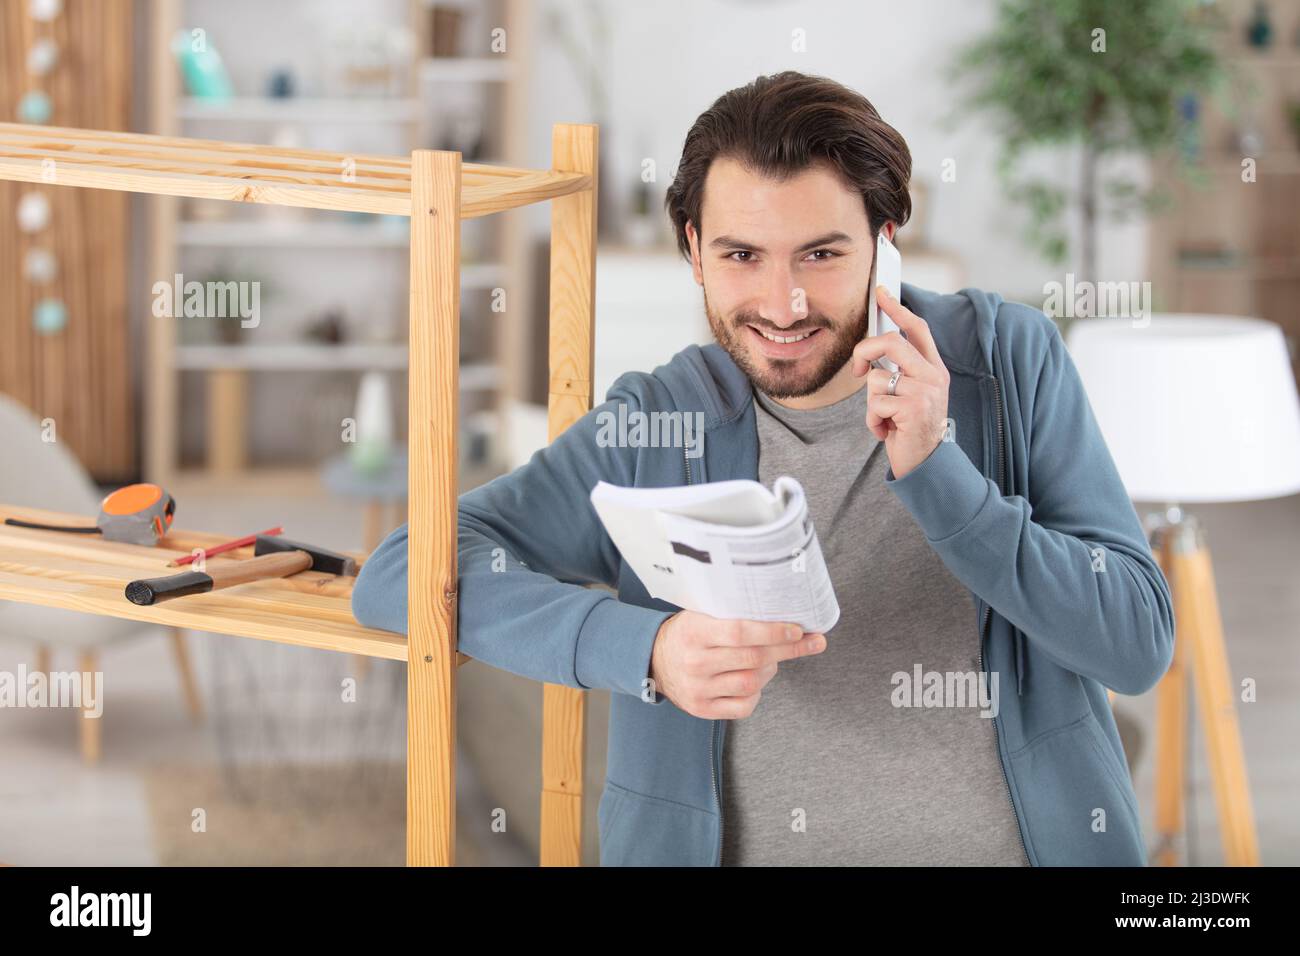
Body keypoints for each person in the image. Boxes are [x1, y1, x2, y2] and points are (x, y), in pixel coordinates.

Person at [351, 71, 1175, 866]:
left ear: (885, 243)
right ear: (693, 249)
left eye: (821, 254)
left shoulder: (1007, 362)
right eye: (742, 255)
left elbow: (1136, 644)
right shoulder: (658, 423)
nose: (784, 305)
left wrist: (941, 473)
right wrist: (646, 647)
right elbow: (401, 572)